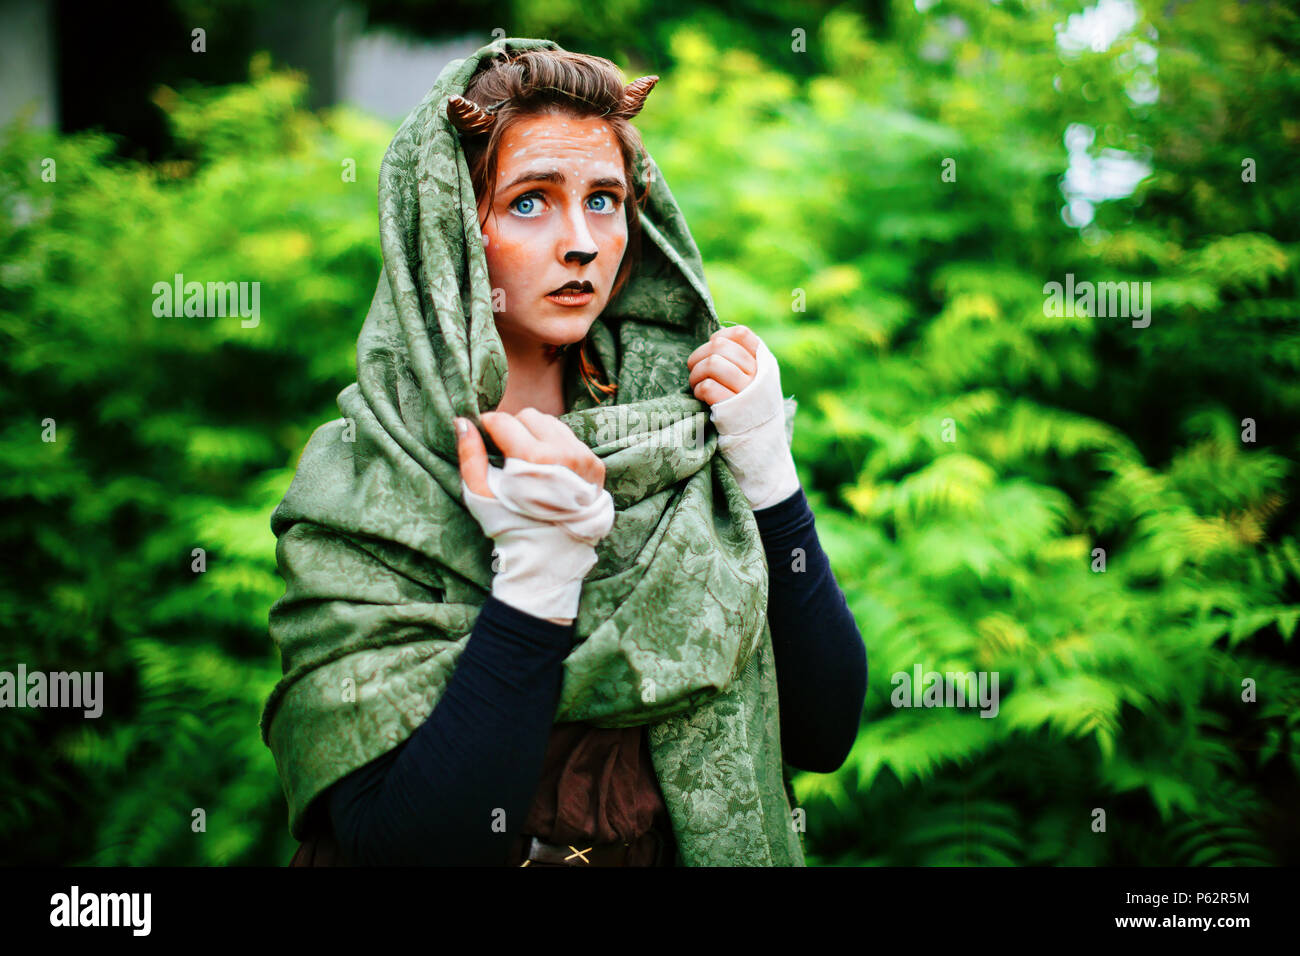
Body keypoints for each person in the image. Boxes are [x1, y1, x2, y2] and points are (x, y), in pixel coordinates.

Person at [264, 37, 866, 868]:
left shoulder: (680, 429)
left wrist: (768, 475)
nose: (581, 240)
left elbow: (826, 729)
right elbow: (397, 846)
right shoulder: (367, 478)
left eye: (605, 199)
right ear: (448, 232)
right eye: (529, 202)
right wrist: (537, 579)